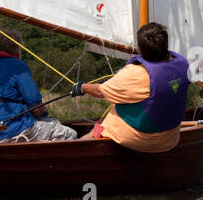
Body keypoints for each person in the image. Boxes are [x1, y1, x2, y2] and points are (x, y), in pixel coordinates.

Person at [71, 21, 190, 152]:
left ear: (139, 49)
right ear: (165, 44)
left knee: (113, 111)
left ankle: (77, 147)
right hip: (170, 138)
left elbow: (100, 91)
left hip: (140, 140)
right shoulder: (183, 65)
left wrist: (82, 87)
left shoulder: (136, 74)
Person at [0, 30, 78, 142]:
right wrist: (43, 109)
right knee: (69, 134)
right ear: (17, 48)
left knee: (54, 122)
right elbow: (37, 110)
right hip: (12, 132)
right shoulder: (17, 67)